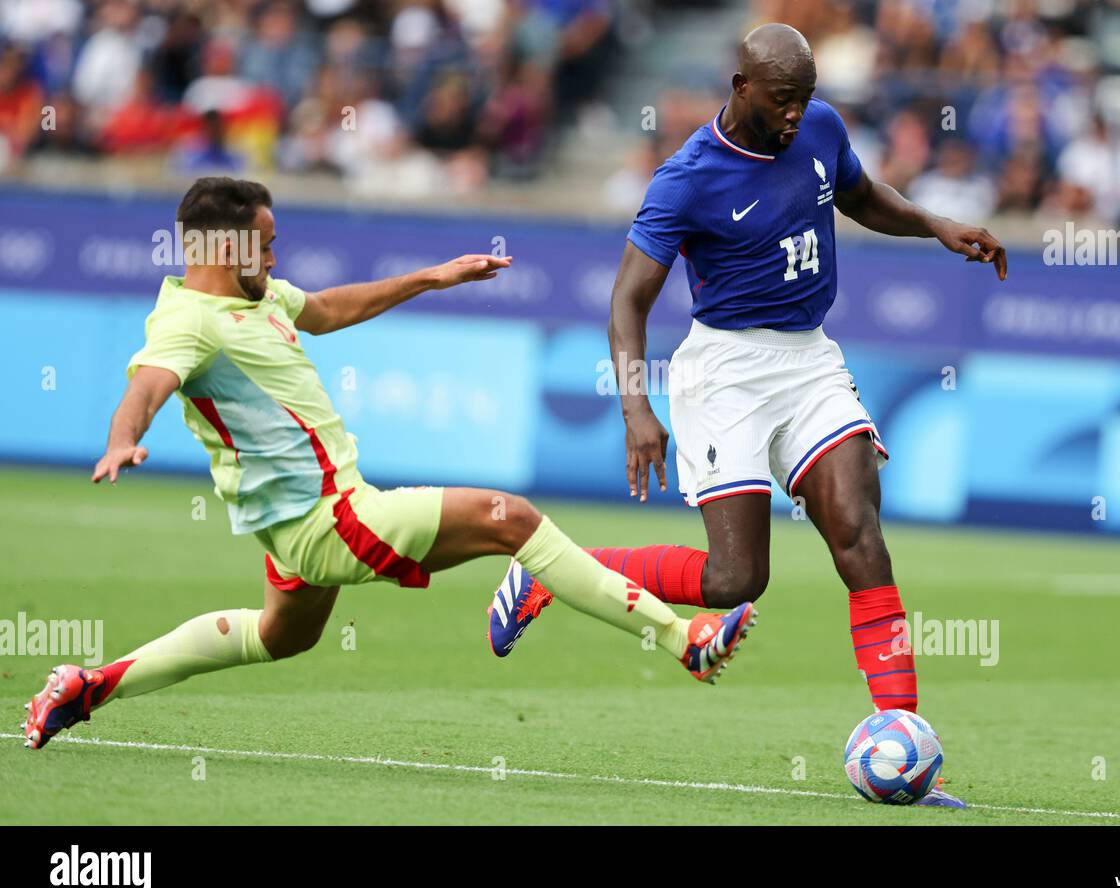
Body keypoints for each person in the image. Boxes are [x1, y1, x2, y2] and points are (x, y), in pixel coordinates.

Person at [21, 176, 757, 750]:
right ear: (223, 251)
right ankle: (680, 637)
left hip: (303, 525)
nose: (276, 257)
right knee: (514, 519)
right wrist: (124, 437)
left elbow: (331, 308)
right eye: (266, 243)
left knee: (282, 635)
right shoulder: (189, 322)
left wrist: (432, 277)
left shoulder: (260, 296)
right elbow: (147, 384)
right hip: (330, 518)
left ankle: (91, 685)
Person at [491, 25, 1007, 806]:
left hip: (809, 360)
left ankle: (902, 739)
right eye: (781, 98)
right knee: (738, 578)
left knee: (861, 537)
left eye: (804, 96)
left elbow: (862, 196)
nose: (797, 113)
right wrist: (638, 408)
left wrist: (934, 224)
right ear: (741, 87)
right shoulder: (686, 178)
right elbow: (628, 302)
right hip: (724, 374)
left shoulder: (822, 127)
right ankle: (549, 570)